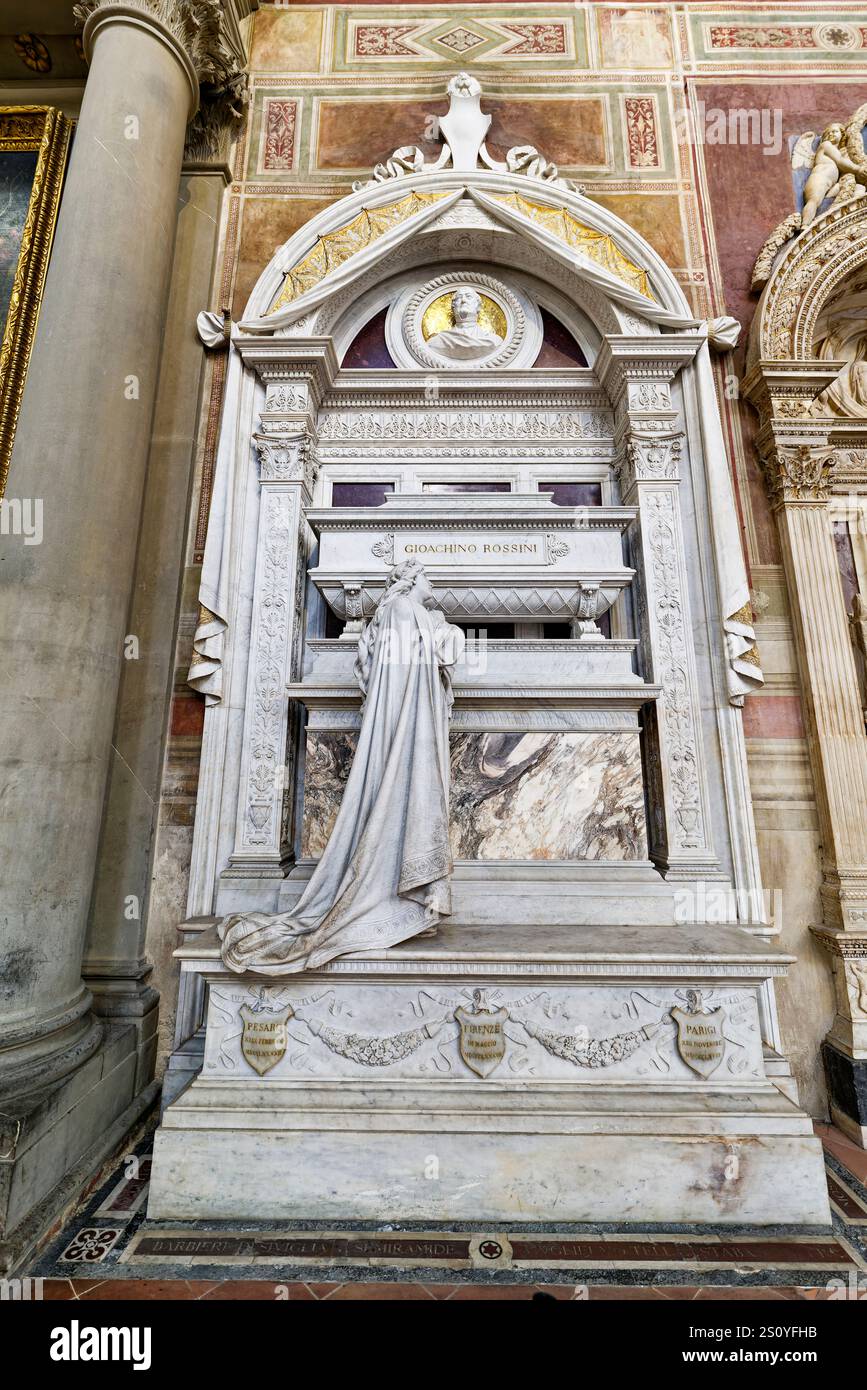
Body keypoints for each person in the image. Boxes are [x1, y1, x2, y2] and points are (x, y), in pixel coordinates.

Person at [220, 560, 465, 974]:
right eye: (427, 575)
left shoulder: (405, 613)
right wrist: (446, 632)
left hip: (404, 722)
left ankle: (403, 897)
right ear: (410, 581)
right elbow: (412, 669)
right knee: (404, 794)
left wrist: (444, 629)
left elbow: (416, 659)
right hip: (406, 723)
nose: (433, 581)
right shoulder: (404, 611)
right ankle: (392, 899)